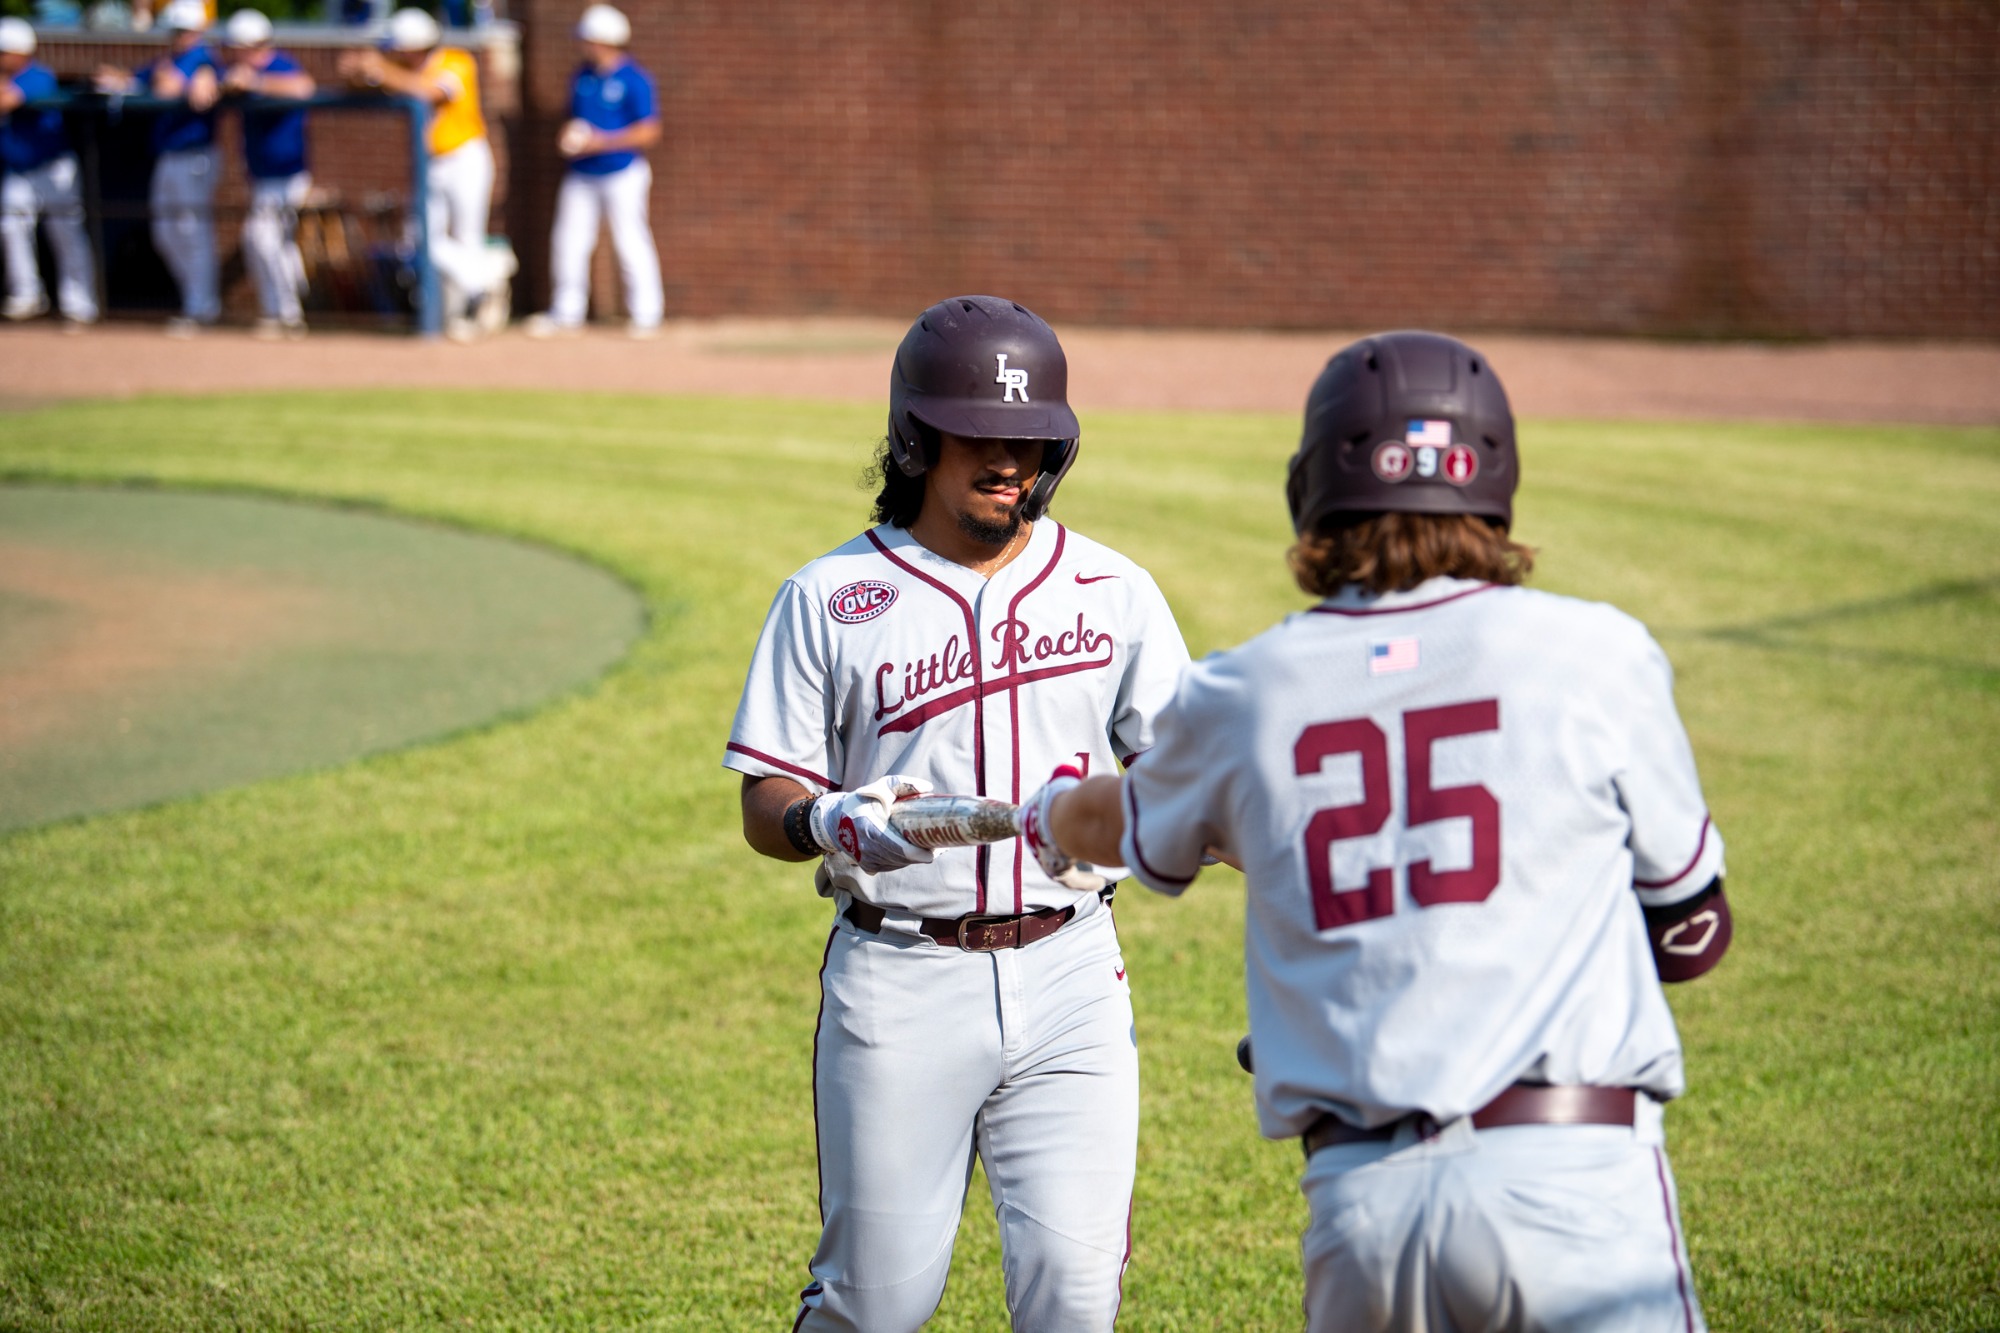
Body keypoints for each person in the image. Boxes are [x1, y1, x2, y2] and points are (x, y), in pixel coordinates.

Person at [1022, 330, 1733, 1332]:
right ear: (1493, 477)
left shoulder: (1245, 688)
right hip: (1570, 1181)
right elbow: (1694, 931)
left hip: (1365, 1210)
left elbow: (1118, 815)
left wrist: (1042, 812)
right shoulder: (1596, 653)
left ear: (1311, 485)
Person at [724, 295, 1191, 1332]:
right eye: (979, 435)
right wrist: (826, 820)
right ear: (915, 436)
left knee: (1074, 1300)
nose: (1007, 460)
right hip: (898, 982)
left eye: (1028, 439)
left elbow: (1191, 788)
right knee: (871, 1307)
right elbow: (765, 801)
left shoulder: (1113, 589)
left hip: (1071, 973)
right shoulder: (828, 595)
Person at [338, 8, 514, 341]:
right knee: (418, 238)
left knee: (467, 236)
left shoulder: (456, 61)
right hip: (432, 163)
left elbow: (431, 90)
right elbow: (369, 83)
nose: (396, 53)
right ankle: (483, 281)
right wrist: (359, 71)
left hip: (466, 158)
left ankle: (463, 313)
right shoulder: (402, 68)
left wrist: (380, 70)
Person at [523, 3, 661, 340]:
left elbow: (650, 131)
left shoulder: (634, 79)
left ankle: (646, 314)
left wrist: (601, 142)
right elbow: (576, 120)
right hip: (581, 172)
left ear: (605, 40)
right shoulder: (581, 75)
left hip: (622, 171)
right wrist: (570, 137)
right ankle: (567, 312)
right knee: (568, 241)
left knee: (630, 240)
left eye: (588, 39)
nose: (583, 45)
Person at [113, 0, 222, 334]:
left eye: (185, 31)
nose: (179, 37)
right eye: (175, 31)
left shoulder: (204, 59)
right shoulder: (168, 59)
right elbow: (137, 80)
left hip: (195, 154)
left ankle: (202, 307)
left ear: (197, 31)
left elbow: (203, 92)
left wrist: (185, 85)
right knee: (163, 234)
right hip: (168, 155)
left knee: (192, 231)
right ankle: (195, 300)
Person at [220, 8, 314, 340]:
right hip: (261, 176)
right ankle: (284, 310)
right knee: (266, 241)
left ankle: (287, 313)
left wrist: (255, 82)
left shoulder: (280, 65)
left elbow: (305, 88)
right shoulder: (232, 69)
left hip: (288, 175)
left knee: (264, 237)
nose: (234, 52)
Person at [1, 17, 98, 327]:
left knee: (66, 234)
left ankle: (80, 304)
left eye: (5, 52)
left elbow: (7, 100)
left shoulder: (38, 76)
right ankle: (27, 294)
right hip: (18, 170)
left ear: (22, 52)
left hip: (54, 168)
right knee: (10, 227)